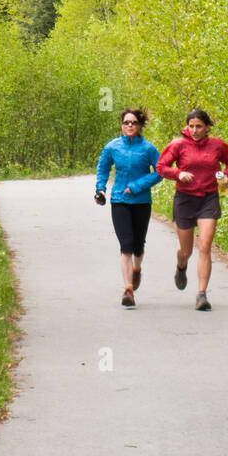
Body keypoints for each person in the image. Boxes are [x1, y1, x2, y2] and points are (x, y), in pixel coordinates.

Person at [156, 108, 228, 310]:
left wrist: (227, 176)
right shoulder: (178, 144)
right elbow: (161, 166)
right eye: (191, 126)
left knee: (205, 246)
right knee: (186, 250)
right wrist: (178, 174)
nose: (194, 130)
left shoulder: (217, 145)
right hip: (184, 200)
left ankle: (201, 295)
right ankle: (181, 266)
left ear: (207, 127)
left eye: (199, 126)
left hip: (209, 199)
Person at [94, 108, 162, 307]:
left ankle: (137, 269)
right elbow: (103, 168)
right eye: (126, 123)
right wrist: (101, 189)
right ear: (122, 125)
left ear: (140, 126)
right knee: (126, 245)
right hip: (119, 201)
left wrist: (137, 186)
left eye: (133, 123)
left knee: (138, 246)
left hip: (141, 202)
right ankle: (128, 290)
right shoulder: (112, 147)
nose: (129, 126)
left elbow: (160, 172)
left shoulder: (148, 149)